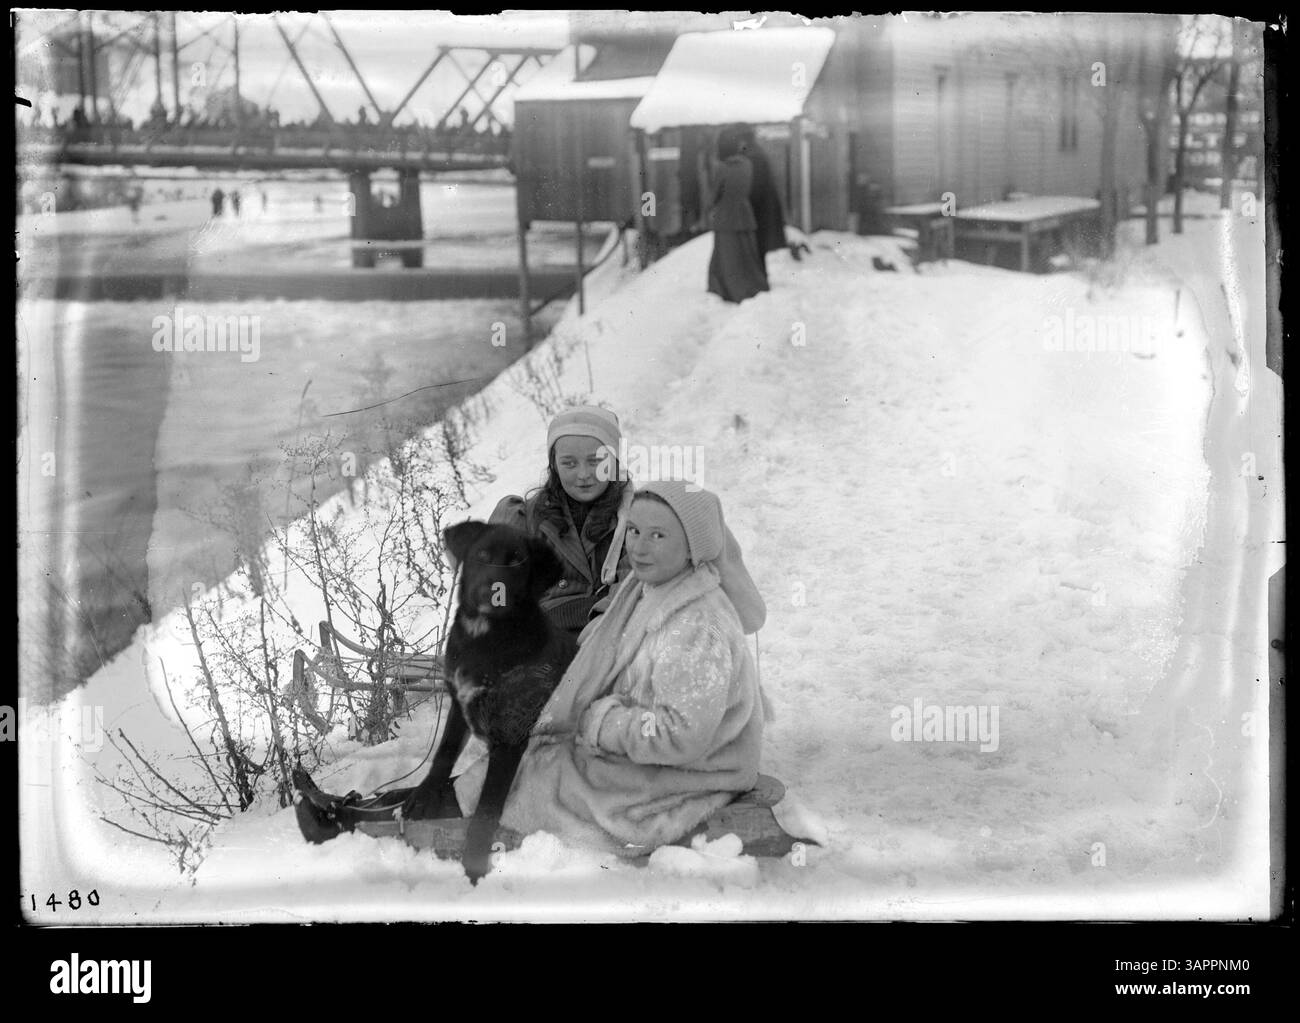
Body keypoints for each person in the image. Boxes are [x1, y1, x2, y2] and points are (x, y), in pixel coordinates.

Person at [454, 479, 768, 856]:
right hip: (643, 747)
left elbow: (680, 734)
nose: (638, 546)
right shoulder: (646, 587)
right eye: (634, 530)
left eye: (658, 535)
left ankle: (465, 823)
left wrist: (600, 720)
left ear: (693, 549)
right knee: (536, 758)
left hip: (695, 770)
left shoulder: (697, 624)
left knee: (546, 779)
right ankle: (458, 801)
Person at [489, 406, 632, 637]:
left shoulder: (633, 516)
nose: (583, 474)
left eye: (595, 461)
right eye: (569, 463)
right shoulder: (525, 518)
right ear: (554, 465)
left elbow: (634, 586)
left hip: (610, 633)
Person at [706, 127, 769, 303]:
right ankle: (753, 284)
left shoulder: (722, 168)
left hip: (726, 216)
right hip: (744, 213)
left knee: (727, 257)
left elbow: (714, 196)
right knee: (746, 255)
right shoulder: (747, 165)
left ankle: (727, 290)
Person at [734, 125, 788, 274]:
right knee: (758, 244)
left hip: (758, 206)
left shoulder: (753, 156)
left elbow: (755, 185)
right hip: (762, 206)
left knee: (756, 243)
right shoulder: (756, 152)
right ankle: (758, 274)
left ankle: (757, 276)